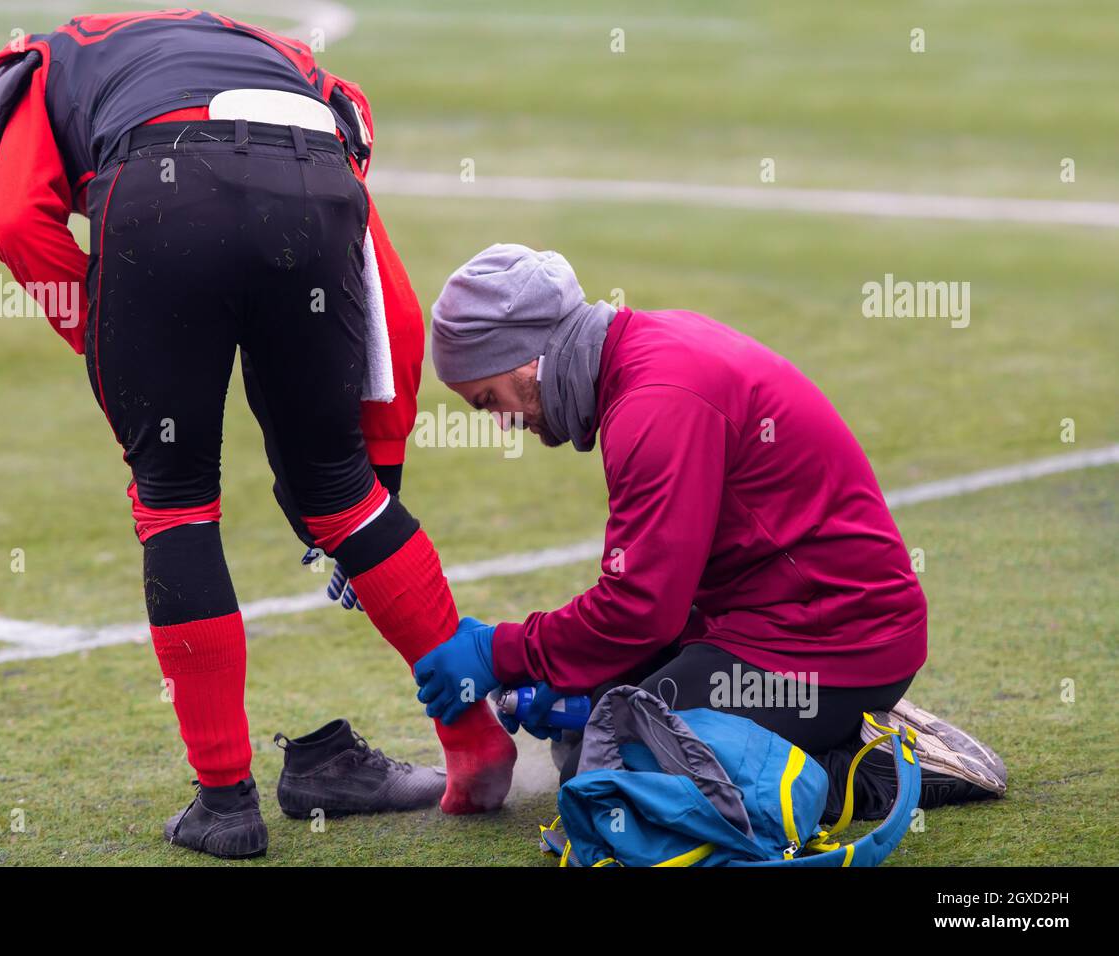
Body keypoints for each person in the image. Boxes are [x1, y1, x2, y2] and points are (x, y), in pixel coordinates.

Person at [0, 11, 515, 859]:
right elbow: (391, 309)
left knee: (176, 505)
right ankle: (476, 740)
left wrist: (110, 327)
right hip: (316, 193)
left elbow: (17, 225)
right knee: (344, 497)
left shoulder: (41, 66)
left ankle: (226, 804)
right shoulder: (302, 86)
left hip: (160, 195)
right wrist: (382, 470)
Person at [414, 243, 1006, 820]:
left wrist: (504, 650)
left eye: (490, 400)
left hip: (836, 643)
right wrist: (559, 672)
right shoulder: (643, 355)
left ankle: (864, 764)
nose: (502, 424)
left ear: (529, 360)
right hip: (776, 620)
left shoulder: (654, 403)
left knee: (613, 771)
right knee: (591, 717)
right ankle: (836, 724)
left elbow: (642, 610)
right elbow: (662, 593)